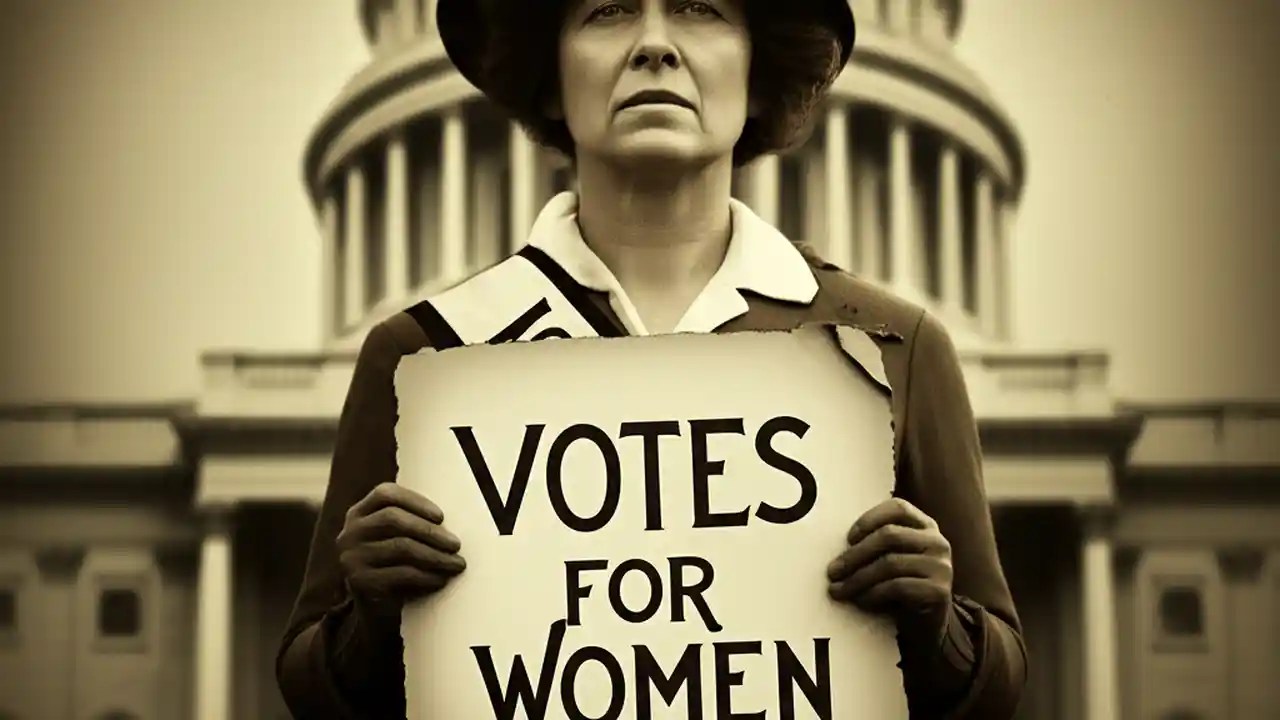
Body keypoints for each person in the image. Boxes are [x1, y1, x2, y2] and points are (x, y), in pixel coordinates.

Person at [276, 0, 1027, 718]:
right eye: (608, 10)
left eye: (701, 7)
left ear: (759, 67)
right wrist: (369, 614)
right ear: (549, 73)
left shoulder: (892, 347)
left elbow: (997, 686)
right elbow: (313, 684)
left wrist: (938, 621)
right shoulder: (427, 353)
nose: (654, 44)